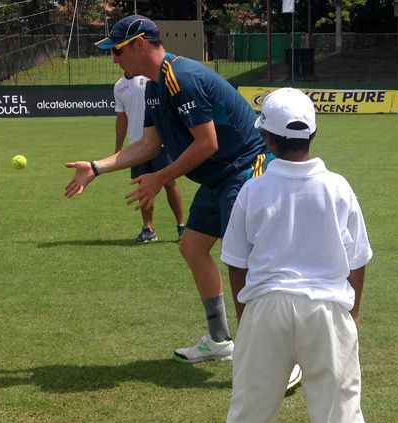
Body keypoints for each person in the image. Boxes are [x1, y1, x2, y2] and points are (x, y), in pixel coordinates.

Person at [198, 88, 388, 423]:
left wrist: (246, 317)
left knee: (247, 416)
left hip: (266, 307)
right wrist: (352, 314)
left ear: (265, 137)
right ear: (313, 133)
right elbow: (358, 261)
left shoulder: (253, 189)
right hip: (328, 310)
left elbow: (236, 262)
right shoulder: (339, 187)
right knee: (342, 419)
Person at [64, 15, 272, 364]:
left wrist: (160, 178)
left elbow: (206, 143)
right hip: (219, 176)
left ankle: (272, 355)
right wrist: (97, 167)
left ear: (140, 44)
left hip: (245, 170)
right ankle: (220, 340)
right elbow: (148, 144)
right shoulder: (155, 86)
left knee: (245, 262)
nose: (114, 59)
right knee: (192, 247)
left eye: (117, 51)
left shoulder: (182, 78)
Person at [113, 72, 185, 243]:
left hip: (160, 142)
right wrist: (118, 147)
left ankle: (182, 227)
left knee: (169, 182)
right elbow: (121, 119)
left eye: (120, 52)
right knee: (143, 186)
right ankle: (148, 228)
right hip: (136, 146)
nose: (117, 58)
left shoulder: (150, 78)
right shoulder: (118, 86)